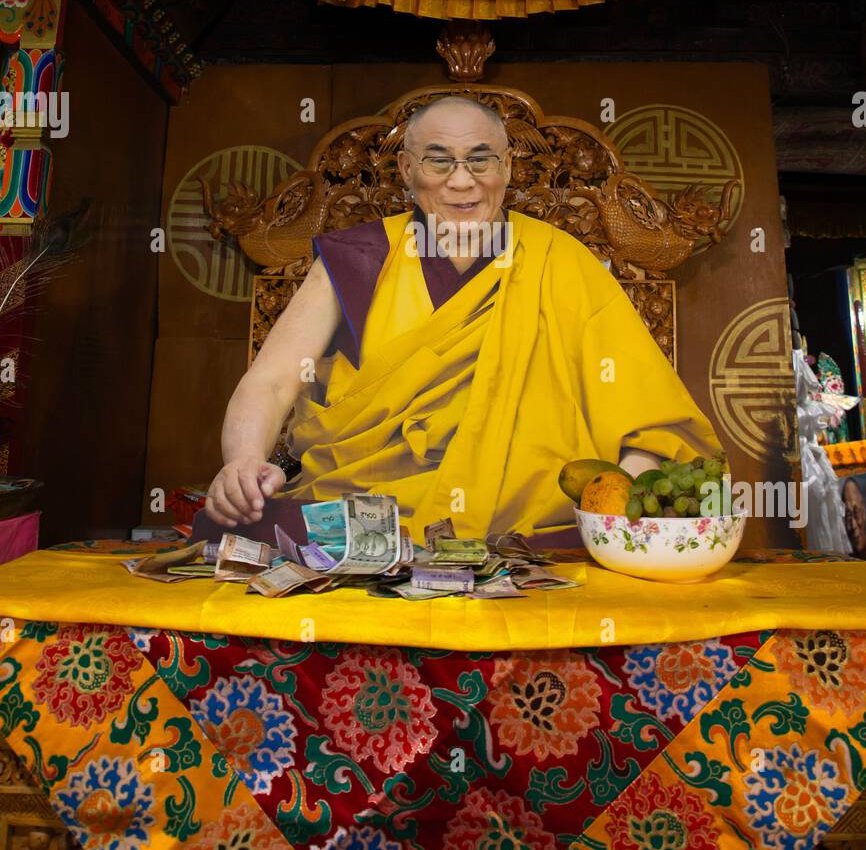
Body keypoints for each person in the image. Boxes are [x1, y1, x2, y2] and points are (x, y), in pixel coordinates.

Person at [205, 96, 723, 539]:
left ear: (509, 168)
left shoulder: (560, 261)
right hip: (369, 513)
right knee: (237, 525)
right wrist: (243, 463)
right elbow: (272, 381)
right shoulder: (360, 256)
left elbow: (644, 419)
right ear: (407, 171)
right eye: (438, 162)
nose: (461, 182)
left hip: (532, 522)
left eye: (481, 160)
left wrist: (620, 499)